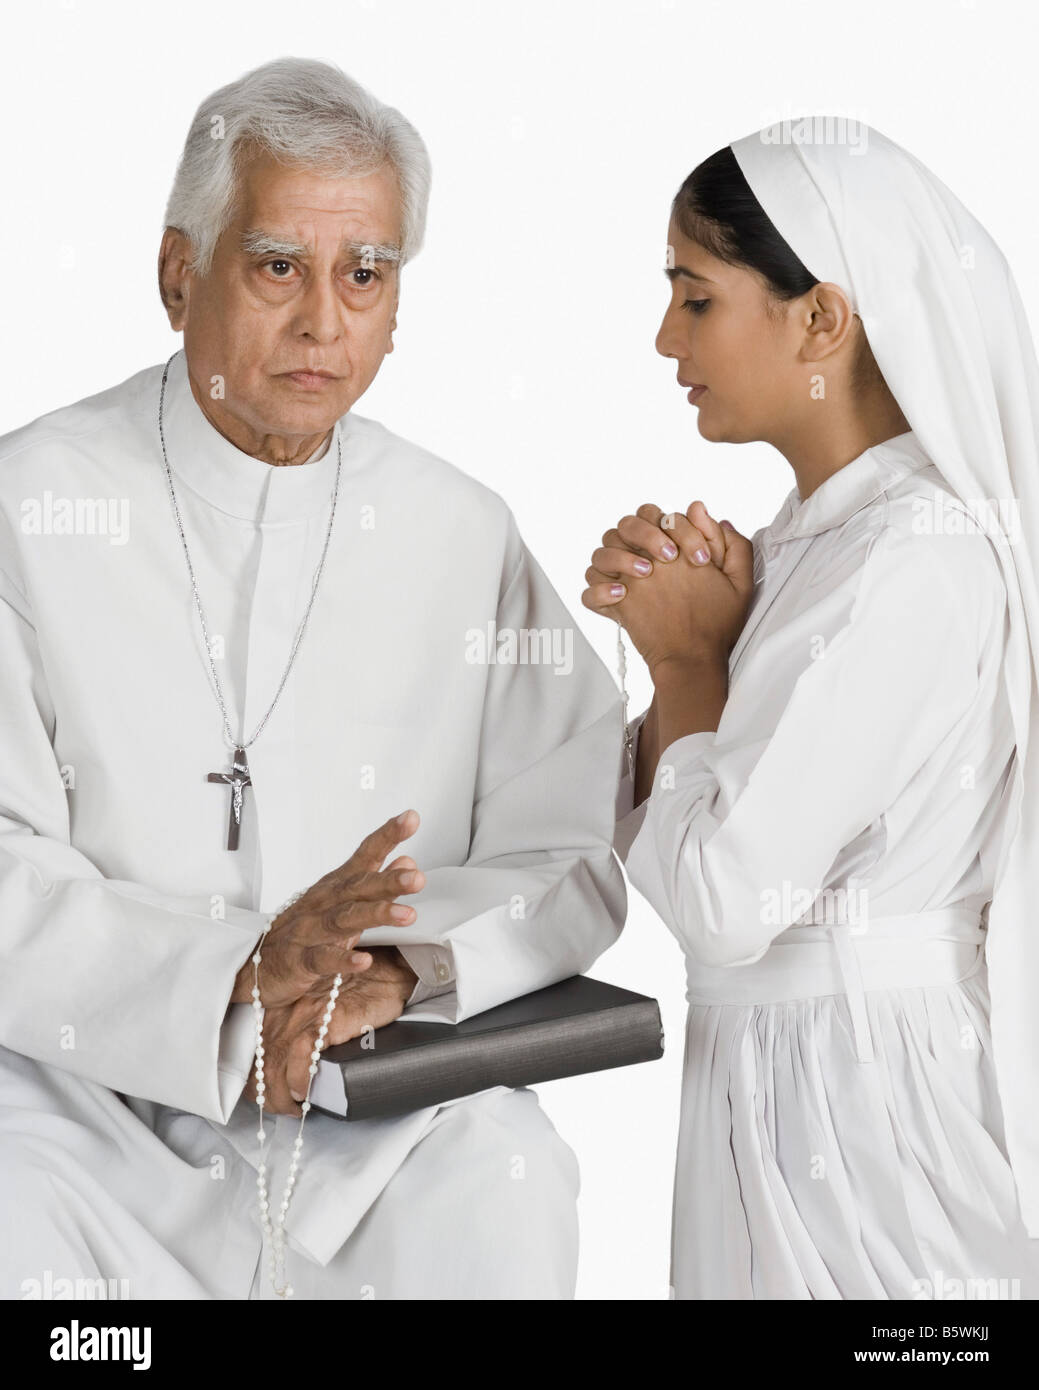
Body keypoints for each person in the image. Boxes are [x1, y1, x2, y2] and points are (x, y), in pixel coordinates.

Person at [0, 56, 626, 1301]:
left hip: (373, 1107)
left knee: (504, 1178)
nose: (324, 322)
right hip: (84, 1107)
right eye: (277, 264)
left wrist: (405, 972)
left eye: (366, 274)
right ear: (180, 273)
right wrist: (233, 985)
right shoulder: (32, 503)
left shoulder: (460, 529)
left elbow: (572, 844)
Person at [585, 120, 1039, 1299]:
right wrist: (698, 638)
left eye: (695, 296)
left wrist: (687, 669)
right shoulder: (805, 547)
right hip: (775, 1089)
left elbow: (726, 900)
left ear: (820, 319)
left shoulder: (914, 561)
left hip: (868, 1115)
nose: (662, 337)